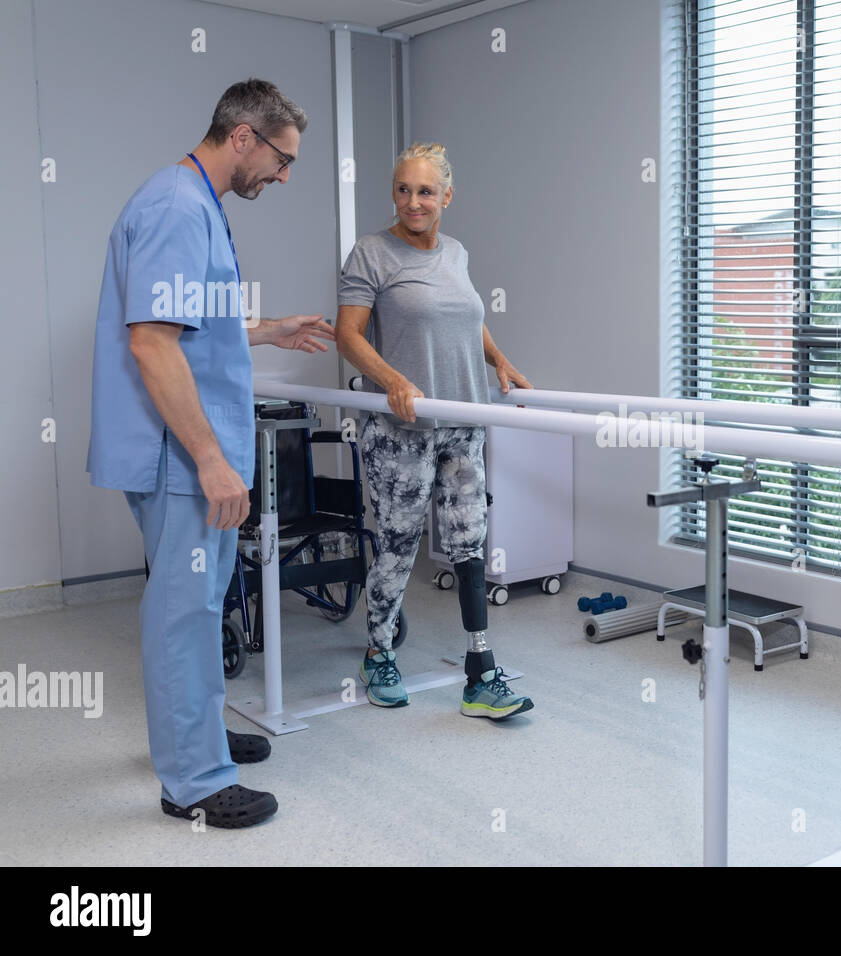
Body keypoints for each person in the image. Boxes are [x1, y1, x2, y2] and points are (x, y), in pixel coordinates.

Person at [87, 79, 336, 828]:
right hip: (180, 454)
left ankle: (196, 733)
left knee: (200, 604)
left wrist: (267, 330)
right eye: (282, 159)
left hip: (191, 448)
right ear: (243, 137)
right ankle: (192, 781)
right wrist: (211, 459)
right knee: (184, 612)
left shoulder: (196, 202)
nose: (284, 176)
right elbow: (152, 341)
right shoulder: (177, 206)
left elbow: (192, 319)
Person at [337, 143, 534, 718]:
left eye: (425, 191)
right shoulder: (371, 253)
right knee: (399, 548)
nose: (413, 201)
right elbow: (348, 336)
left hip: (464, 423)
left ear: (447, 196)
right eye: (403, 189)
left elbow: (469, 319)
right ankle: (379, 652)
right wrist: (393, 381)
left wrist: (499, 360)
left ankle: (480, 671)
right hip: (402, 428)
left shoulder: (456, 253)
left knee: (469, 546)